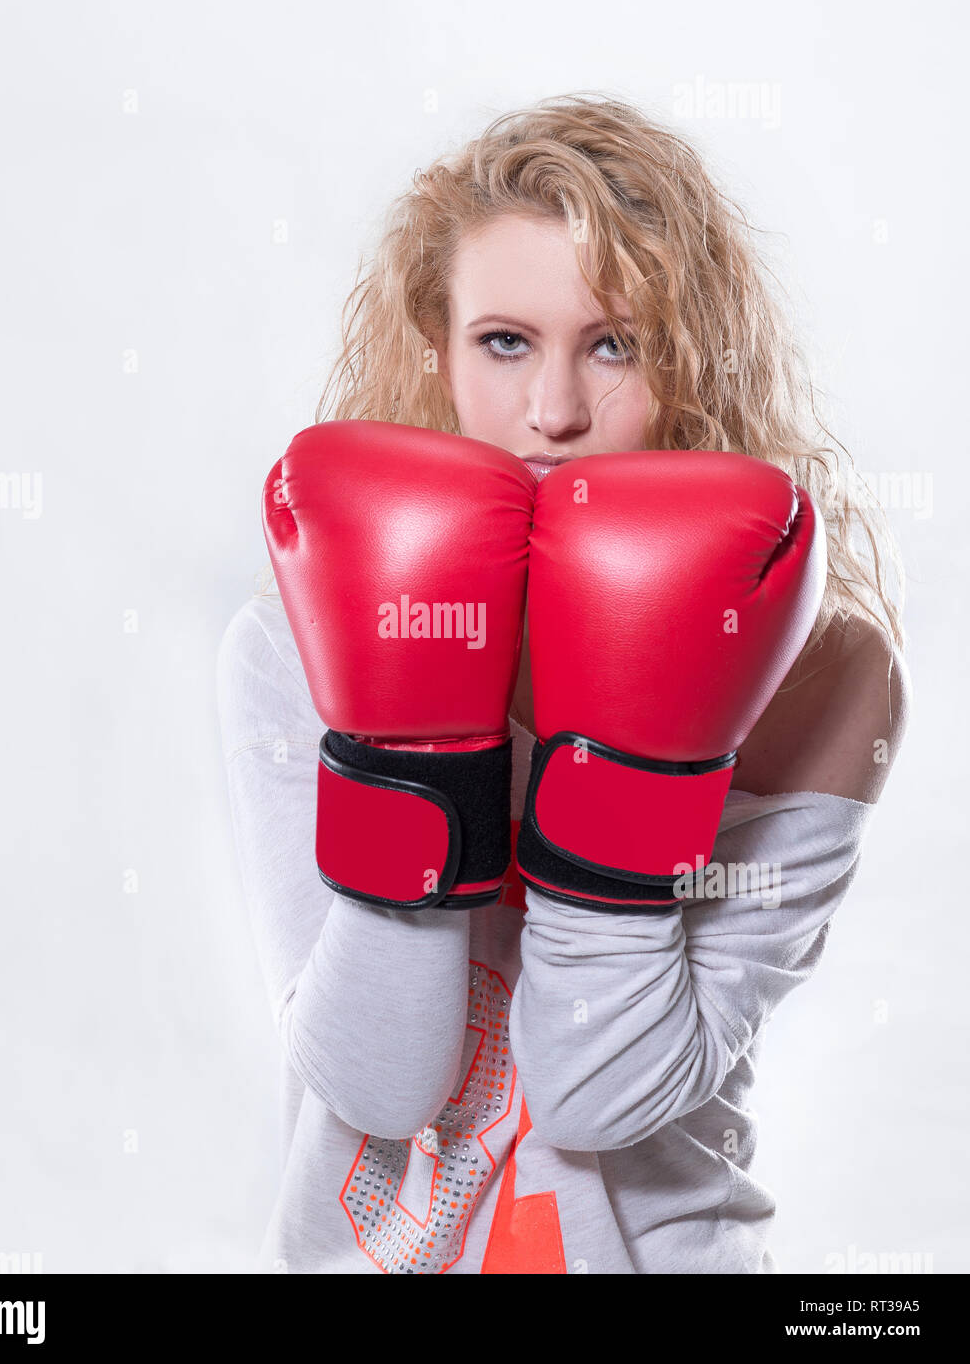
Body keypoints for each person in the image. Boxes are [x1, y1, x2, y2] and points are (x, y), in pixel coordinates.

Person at [217, 93, 909, 1274]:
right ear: (437, 350)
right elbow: (376, 1083)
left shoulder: (826, 681)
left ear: (686, 363)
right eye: (504, 341)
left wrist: (634, 745)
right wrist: (412, 744)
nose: (553, 413)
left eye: (612, 343)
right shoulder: (293, 646)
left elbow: (601, 1095)